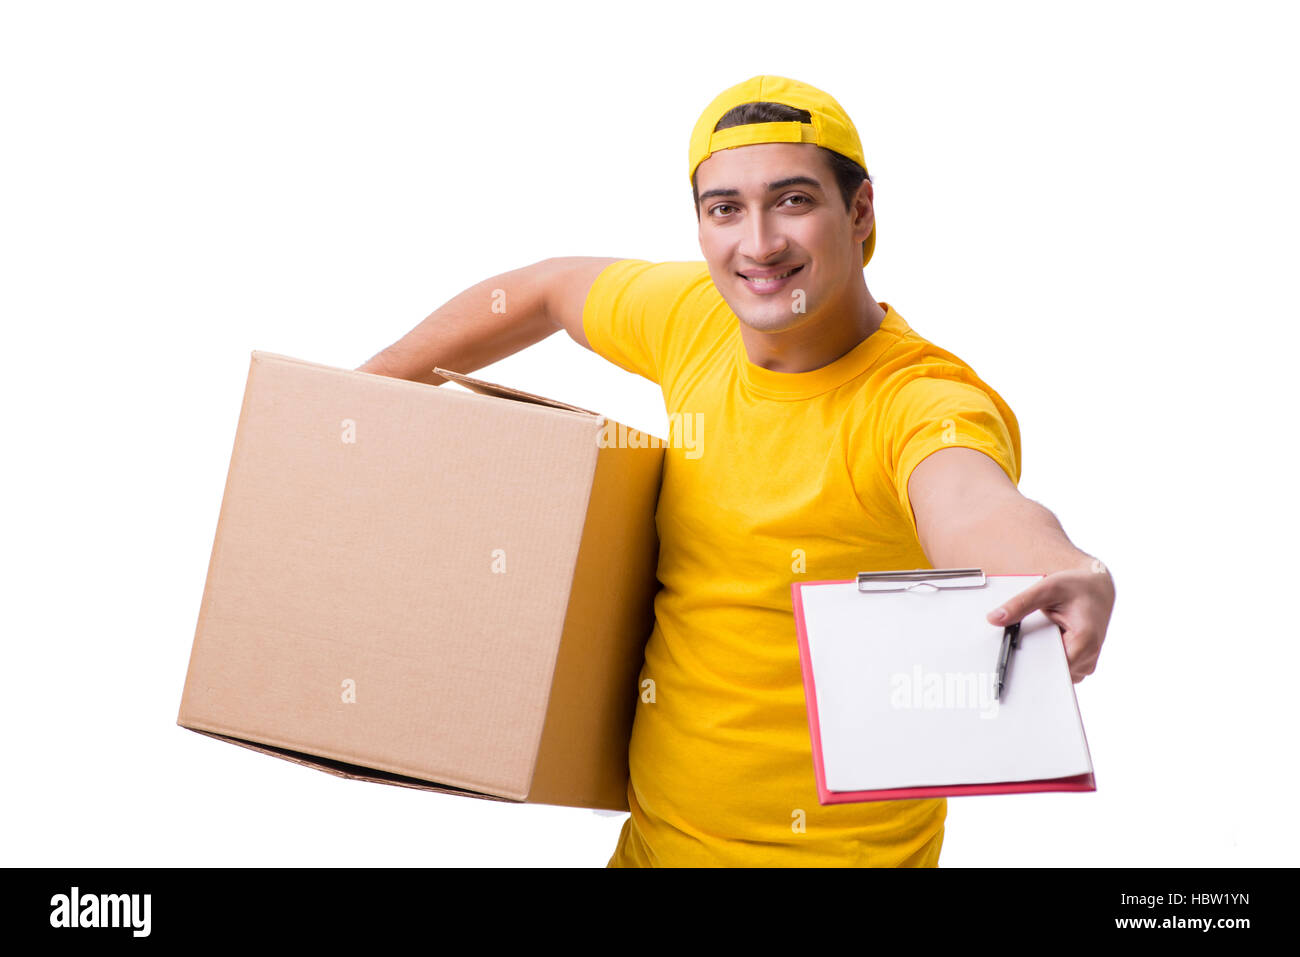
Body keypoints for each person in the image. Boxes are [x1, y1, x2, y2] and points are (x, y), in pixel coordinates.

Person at [357, 75, 1116, 867]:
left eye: (793, 201)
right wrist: (362, 394)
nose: (758, 245)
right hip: (651, 850)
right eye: (726, 209)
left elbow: (970, 500)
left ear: (859, 213)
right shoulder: (696, 320)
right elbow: (544, 288)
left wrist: (1059, 567)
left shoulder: (918, 402)